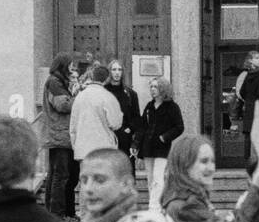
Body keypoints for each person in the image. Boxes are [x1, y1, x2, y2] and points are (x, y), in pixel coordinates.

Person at [135, 76, 184, 211]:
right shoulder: (149, 106)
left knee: (158, 177)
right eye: (151, 87)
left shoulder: (172, 107)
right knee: (150, 179)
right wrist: (136, 144)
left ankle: (153, 207)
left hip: (161, 147)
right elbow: (142, 126)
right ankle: (157, 204)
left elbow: (179, 127)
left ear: (163, 88)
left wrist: (165, 137)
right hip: (147, 146)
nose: (152, 89)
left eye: (155, 87)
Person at [42, 53, 79, 221]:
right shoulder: (54, 82)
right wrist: (77, 95)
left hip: (61, 135)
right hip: (59, 136)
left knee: (58, 175)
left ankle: (56, 212)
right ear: (63, 66)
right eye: (70, 66)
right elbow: (62, 105)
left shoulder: (57, 82)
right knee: (60, 176)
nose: (72, 69)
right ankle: (56, 214)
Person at [70, 61, 123, 165]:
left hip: (82, 149)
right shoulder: (108, 97)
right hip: (103, 149)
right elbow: (115, 123)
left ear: (92, 77)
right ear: (107, 78)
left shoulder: (79, 97)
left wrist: (75, 146)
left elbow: (73, 125)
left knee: (86, 179)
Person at [102, 58, 142, 178]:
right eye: (114, 69)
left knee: (126, 176)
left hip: (125, 140)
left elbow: (136, 119)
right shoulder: (103, 92)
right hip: (107, 139)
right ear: (109, 72)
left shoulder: (130, 94)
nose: (117, 72)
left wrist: (132, 133)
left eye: (119, 69)